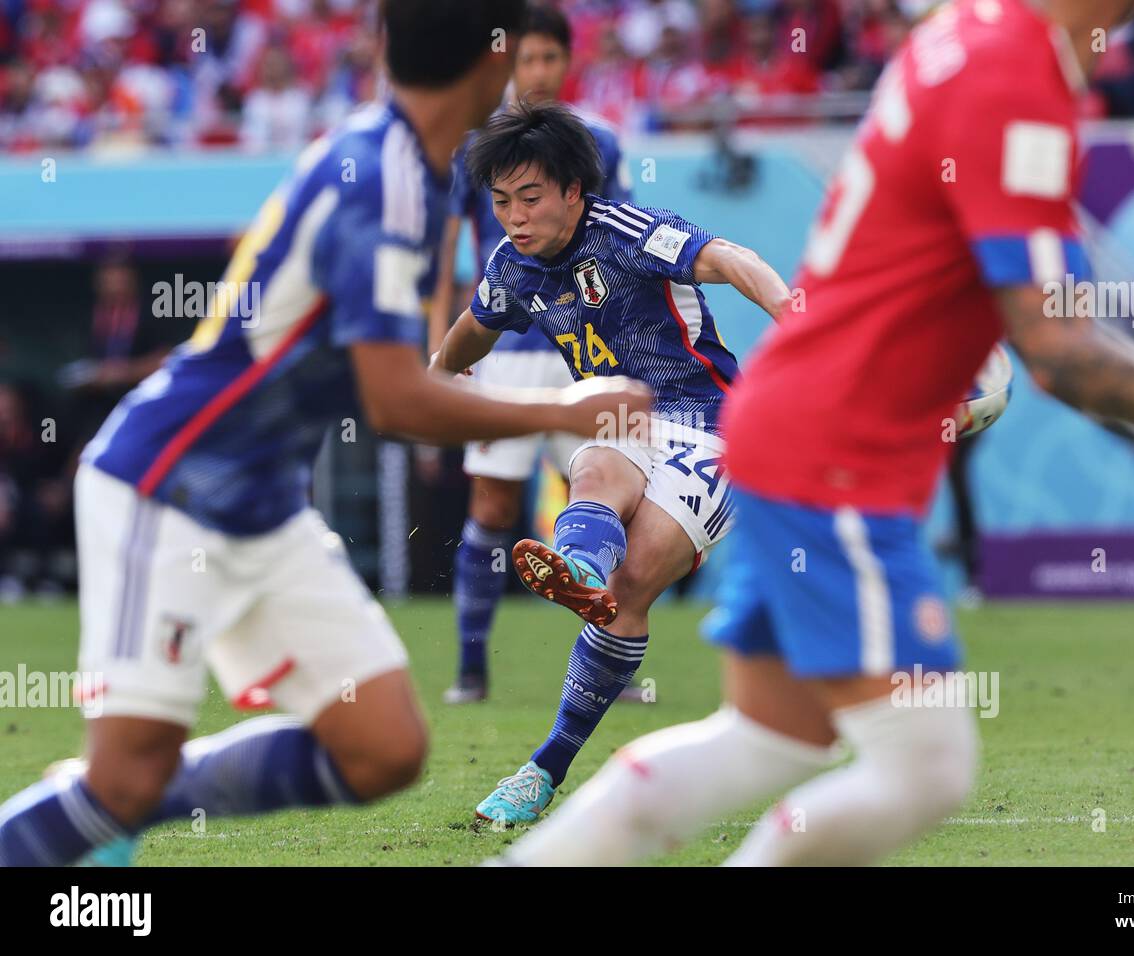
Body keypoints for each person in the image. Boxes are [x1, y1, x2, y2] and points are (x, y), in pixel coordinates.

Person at [500, 0, 1134, 867]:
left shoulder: (966, 38)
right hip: (832, 457)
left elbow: (987, 288)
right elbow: (1061, 353)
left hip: (790, 426)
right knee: (929, 768)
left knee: (772, 737)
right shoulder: (1012, 71)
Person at [0, 0, 650, 868]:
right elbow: (392, 400)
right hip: (171, 485)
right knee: (120, 777)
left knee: (384, 748)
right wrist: (560, 413)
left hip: (264, 507)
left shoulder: (407, 169)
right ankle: (103, 805)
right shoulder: (377, 178)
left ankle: (117, 806)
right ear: (494, 69)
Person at [432, 101, 790, 825]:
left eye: (530, 198)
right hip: (617, 413)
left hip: (711, 427)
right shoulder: (512, 268)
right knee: (597, 434)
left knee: (635, 588)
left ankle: (547, 764)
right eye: (501, 202)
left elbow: (730, 259)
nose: (515, 217)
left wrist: (795, 312)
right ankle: (579, 568)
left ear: (574, 191)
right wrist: (436, 375)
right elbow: (474, 331)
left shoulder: (626, 231)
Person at [431, 3, 634, 706]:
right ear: (506, 62)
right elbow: (452, 254)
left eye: (551, 58)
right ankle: (470, 668)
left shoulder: (599, 142)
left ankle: (615, 665)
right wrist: (444, 349)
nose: (539, 71)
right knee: (491, 505)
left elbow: (624, 248)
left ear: (566, 62)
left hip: (586, 356)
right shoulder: (475, 147)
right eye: (527, 59)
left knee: (620, 505)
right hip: (509, 353)